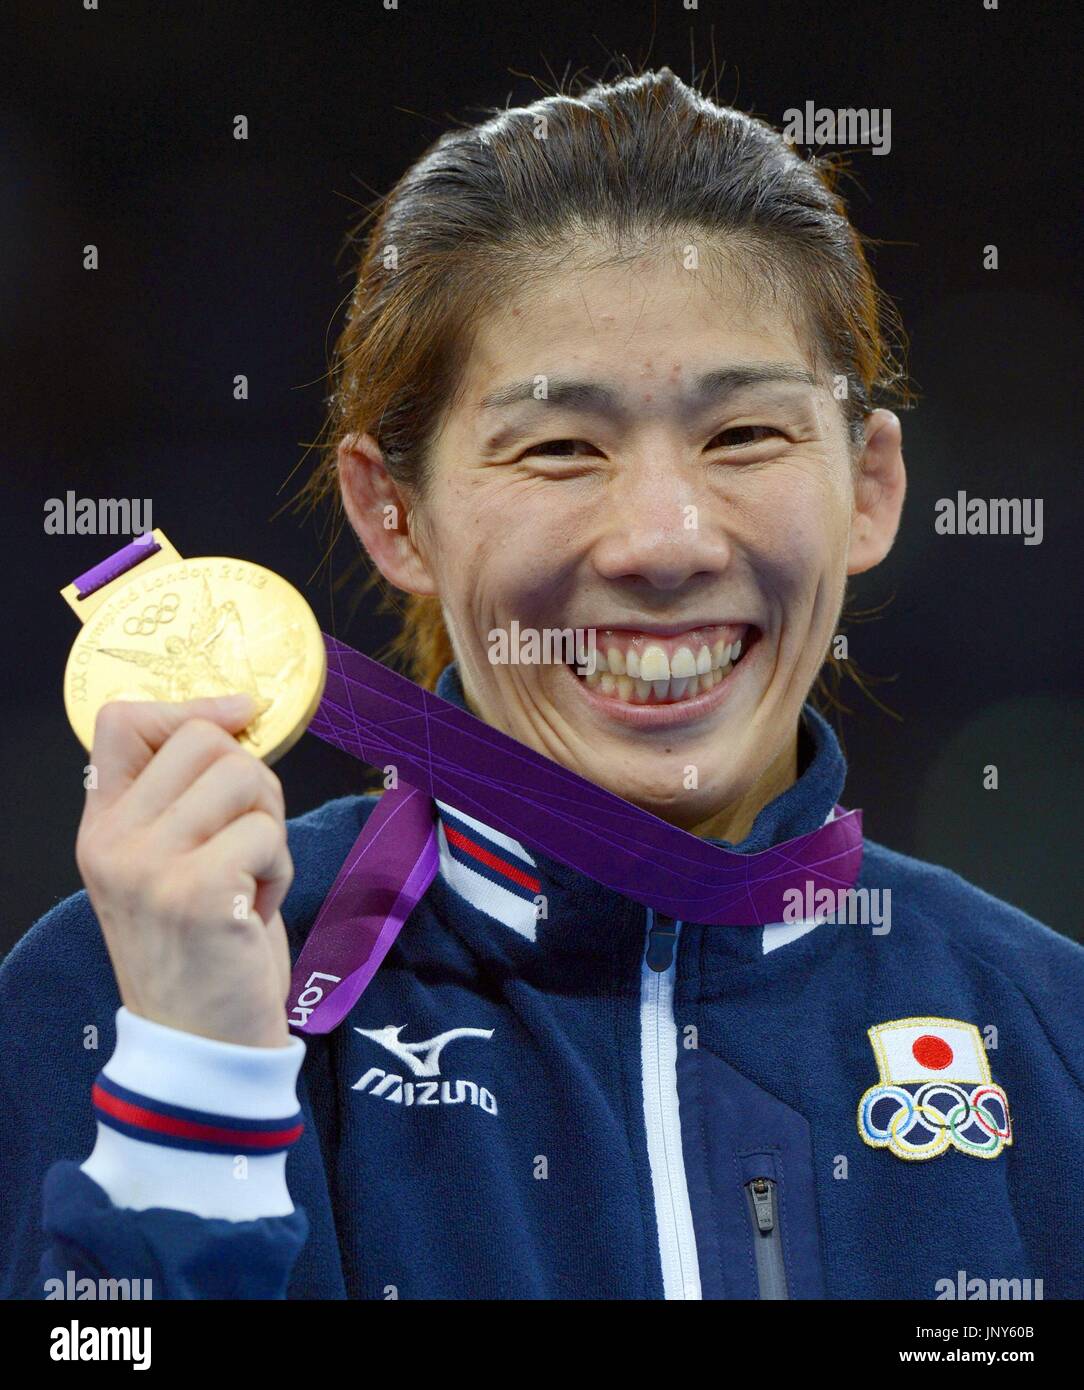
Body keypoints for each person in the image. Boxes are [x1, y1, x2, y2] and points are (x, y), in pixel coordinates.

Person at [3, 65, 1081, 1301]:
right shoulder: (114, 991)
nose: (665, 538)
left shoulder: (1045, 1031)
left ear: (871, 487)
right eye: (560, 448)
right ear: (392, 510)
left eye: (744, 436)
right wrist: (195, 1093)